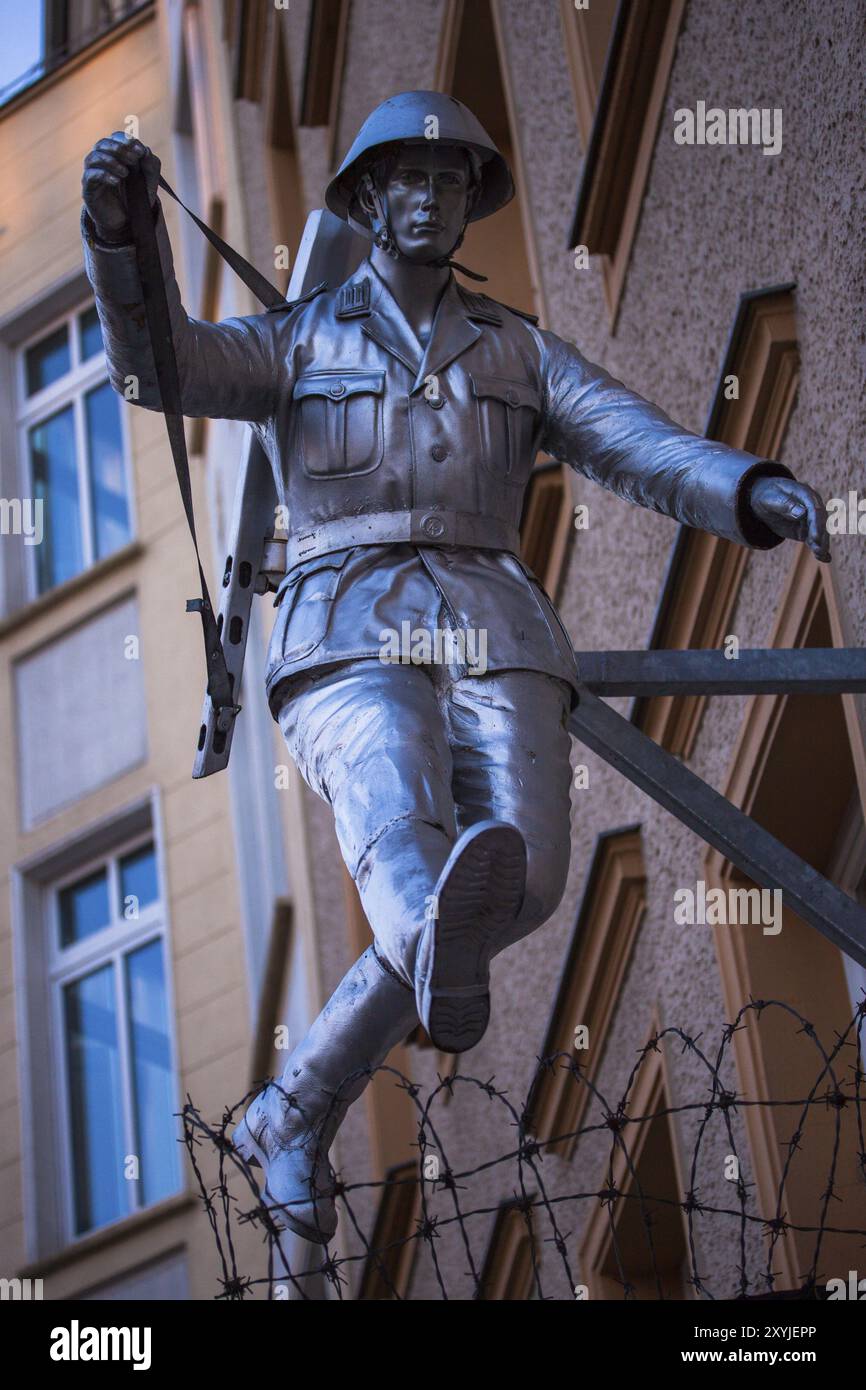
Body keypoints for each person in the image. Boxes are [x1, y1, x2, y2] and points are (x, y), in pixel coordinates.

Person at [81, 91, 829, 1244]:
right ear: (370, 198)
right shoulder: (297, 340)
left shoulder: (514, 347)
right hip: (346, 626)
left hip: (497, 623)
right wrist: (124, 244)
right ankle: (306, 1098)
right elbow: (162, 369)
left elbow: (629, 439)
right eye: (407, 179)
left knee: (520, 883)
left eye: (449, 181)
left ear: (465, 203)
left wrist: (745, 490)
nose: (428, 197)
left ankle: (294, 1110)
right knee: (403, 832)